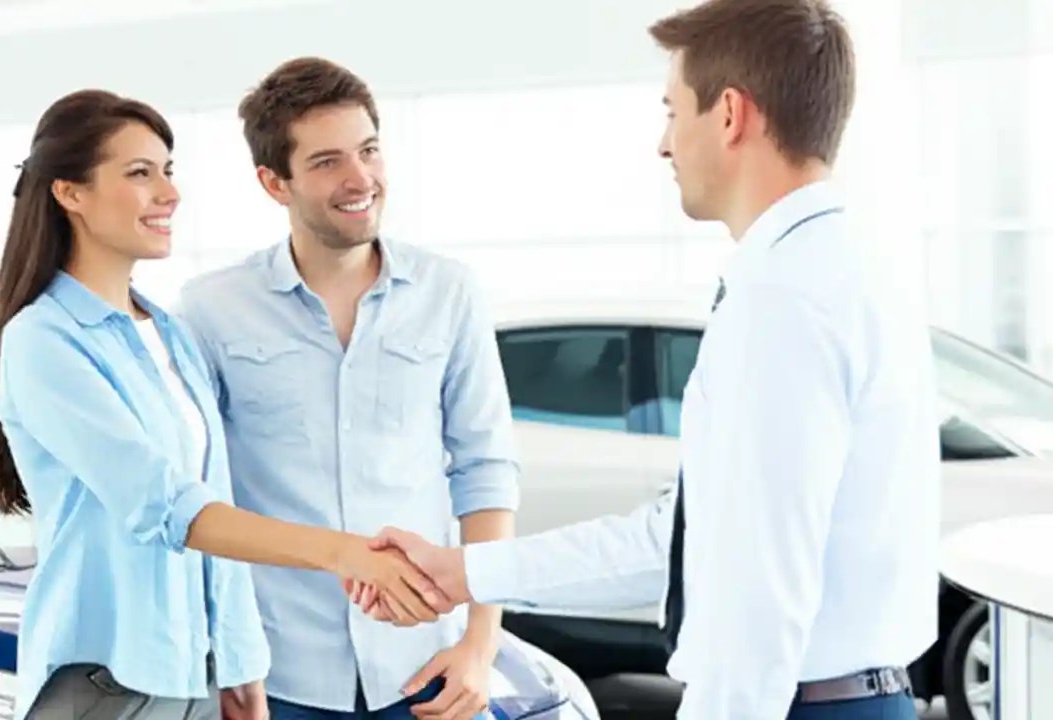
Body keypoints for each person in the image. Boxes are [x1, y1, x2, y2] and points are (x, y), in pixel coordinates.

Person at [354, 1, 941, 719]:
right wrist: (465, 570)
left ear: (730, 115)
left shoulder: (782, 299)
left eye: (672, 111)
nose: (664, 144)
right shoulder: (850, 267)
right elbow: (688, 537)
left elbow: (757, 599)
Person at [0, 89, 449, 720]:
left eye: (168, 171)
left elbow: (214, 492)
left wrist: (241, 661)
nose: (169, 194)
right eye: (140, 174)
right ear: (71, 193)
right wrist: (345, 552)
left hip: (191, 677)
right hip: (104, 679)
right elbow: (167, 504)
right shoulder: (43, 340)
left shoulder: (166, 331)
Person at [173, 58, 519, 720]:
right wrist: (219, 655)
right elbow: (197, 496)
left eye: (369, 150)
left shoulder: (451, 292)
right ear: (275, 182)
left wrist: (481, 643)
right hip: (278, 678)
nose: (361, 179)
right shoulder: (211, 310)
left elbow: (486, 468)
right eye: (328, 161)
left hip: (424, 670)